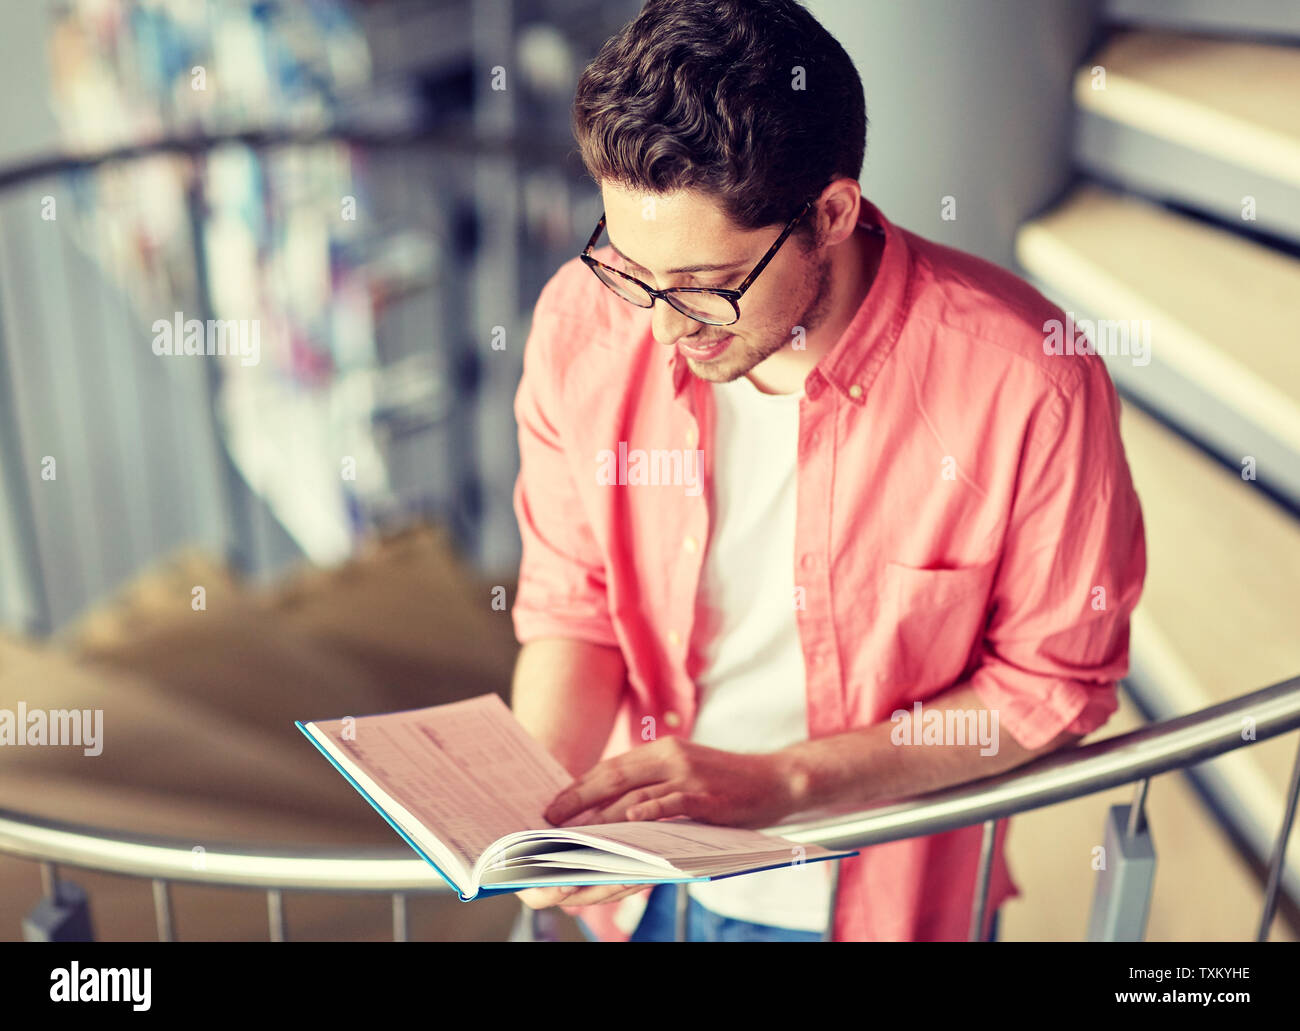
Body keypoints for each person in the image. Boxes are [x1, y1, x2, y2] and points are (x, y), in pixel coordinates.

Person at [508, 0, 1145, 941]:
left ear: (831, 214)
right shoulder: (580, 321)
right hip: (636, 889)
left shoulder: (1028, 385)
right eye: (628, 267)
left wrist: (784, 781)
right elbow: (576, 607)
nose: (659, 330)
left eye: (702, 287)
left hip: (877, 904)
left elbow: (1047, 687)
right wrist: (543, 817)